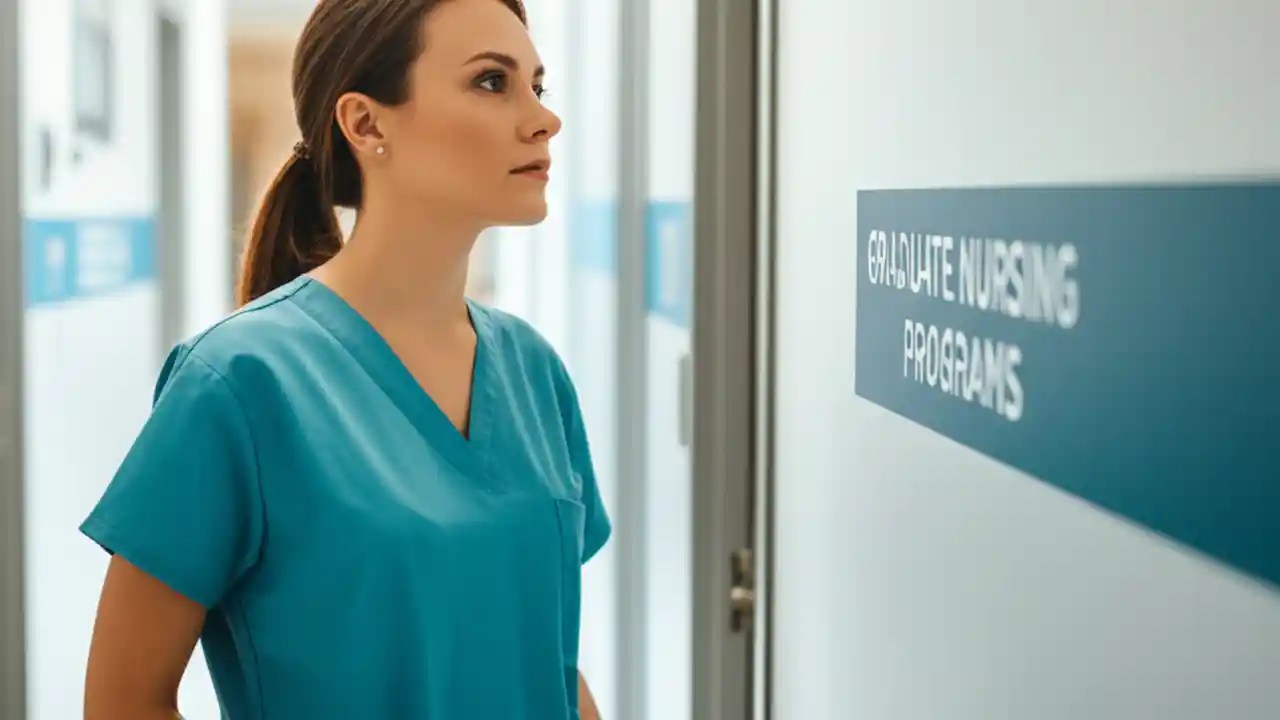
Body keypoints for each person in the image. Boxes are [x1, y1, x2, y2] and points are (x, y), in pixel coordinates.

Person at [80, 0, 610, 717]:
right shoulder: (239, 382)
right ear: (366, 124)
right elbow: (124, 702)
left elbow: (548, 661)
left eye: (536, 87)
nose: (543, 119)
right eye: (492, 82)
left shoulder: (533, 371)